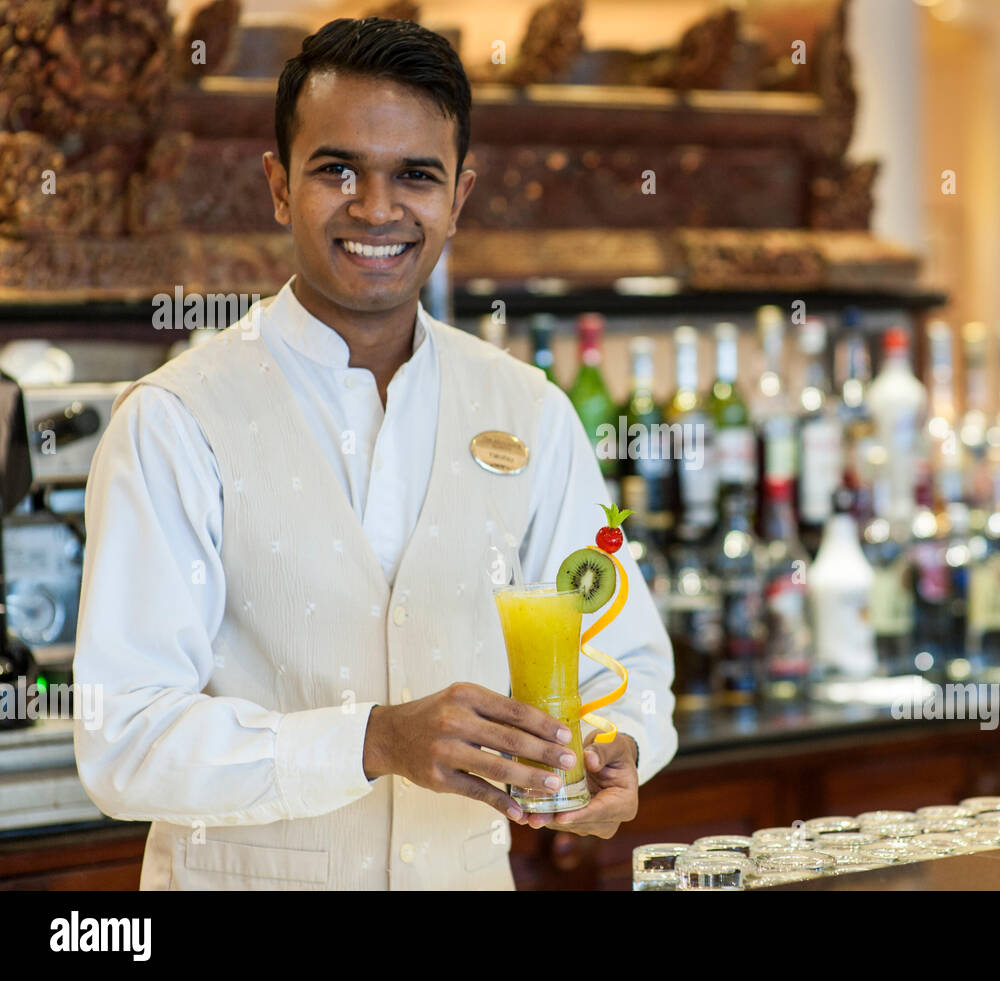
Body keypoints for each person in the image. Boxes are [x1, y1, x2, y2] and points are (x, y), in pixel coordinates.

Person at [73, 17, 676, 890]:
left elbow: (629, 661)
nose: (378, 208)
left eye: (415, 176)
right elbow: (121, 739)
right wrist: (371, 740)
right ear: (279, 186)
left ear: (459, 198)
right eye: (338, 170)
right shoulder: (176, 418)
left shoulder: (531, 412)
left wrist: (622, 751)